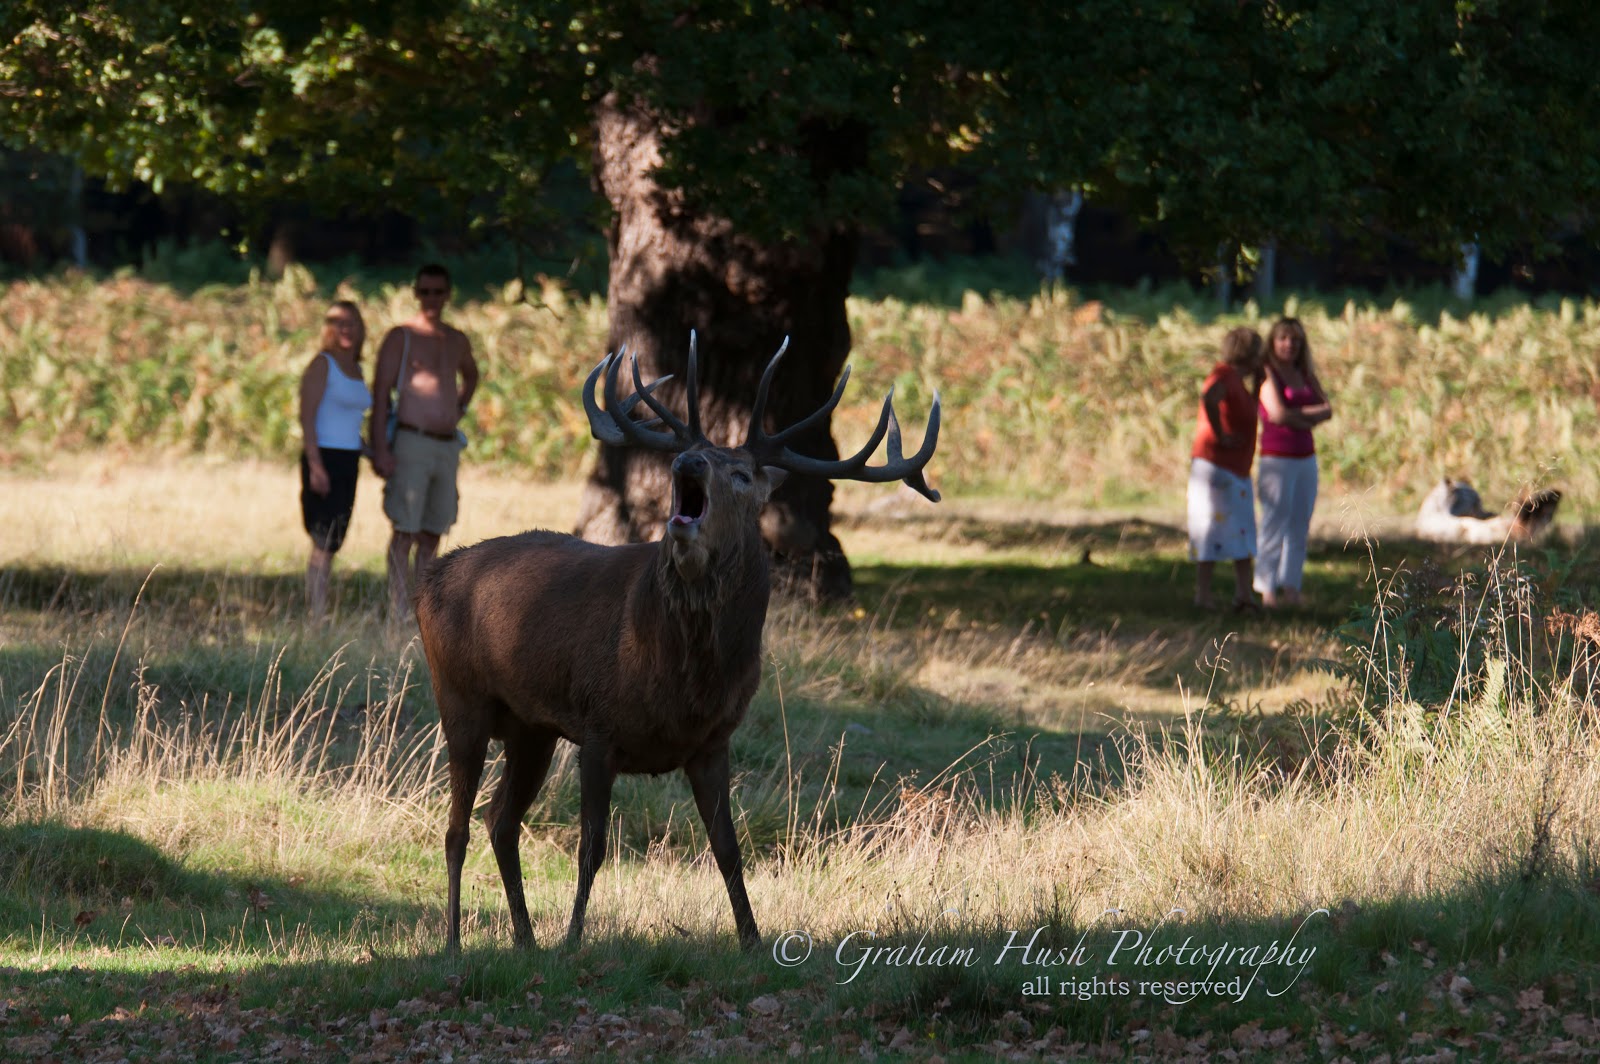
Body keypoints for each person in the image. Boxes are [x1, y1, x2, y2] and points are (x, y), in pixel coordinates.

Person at [370, 264, 479, 621]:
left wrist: (457, 407)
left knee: (434, 532)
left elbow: (472, 375)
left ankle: (423, 612)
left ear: (448, 294)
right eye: (425, 291)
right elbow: (381, 395)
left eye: (438, 292)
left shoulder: (455, 339)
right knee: (405, 531)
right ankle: (398, 610)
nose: (432, 298)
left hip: (446, 445)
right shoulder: (400, 337)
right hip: (410, 441)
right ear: (416, 293)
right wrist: (380, 449)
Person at [298, 300, 372, 620]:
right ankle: (316, 613)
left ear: (360, 329)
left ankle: (322, 607)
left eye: (352, 323)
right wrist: (315, 466)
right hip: (323, 456)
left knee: (336, 537)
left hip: (348, 458)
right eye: (339, 323)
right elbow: (307, 417)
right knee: (322, 538)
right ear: (328, 328)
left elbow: (350, 425)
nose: (346, 329)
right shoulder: (322, 364)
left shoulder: (357, 369)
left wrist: (375, 454)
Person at [1254, 317, 1333, 608]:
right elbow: (1277, 414)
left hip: (1305, 458)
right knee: (1274, 522)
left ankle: (1292, 587)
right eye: (1284, 339)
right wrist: (1306, 417)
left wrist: (1295, 415)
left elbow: (1327, 409)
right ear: (1273, 342)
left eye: (1295, 340)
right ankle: (1266, 589)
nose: (1290, 345)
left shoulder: (1304, 373)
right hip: (1277, 459)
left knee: (1300, 524)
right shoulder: (1267, 373)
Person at [1187, 326, 1265, 611]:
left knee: (1242, 529)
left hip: (1236, 469)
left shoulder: (1238, 382)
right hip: (1216, 467)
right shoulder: (1223, 376)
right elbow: (1209, 398)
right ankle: (1203, 594)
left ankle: (1244, 594)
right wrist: (1220, 435)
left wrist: (1257, 387)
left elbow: (1247, 416)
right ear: (1250, 354)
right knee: (1208, 527)